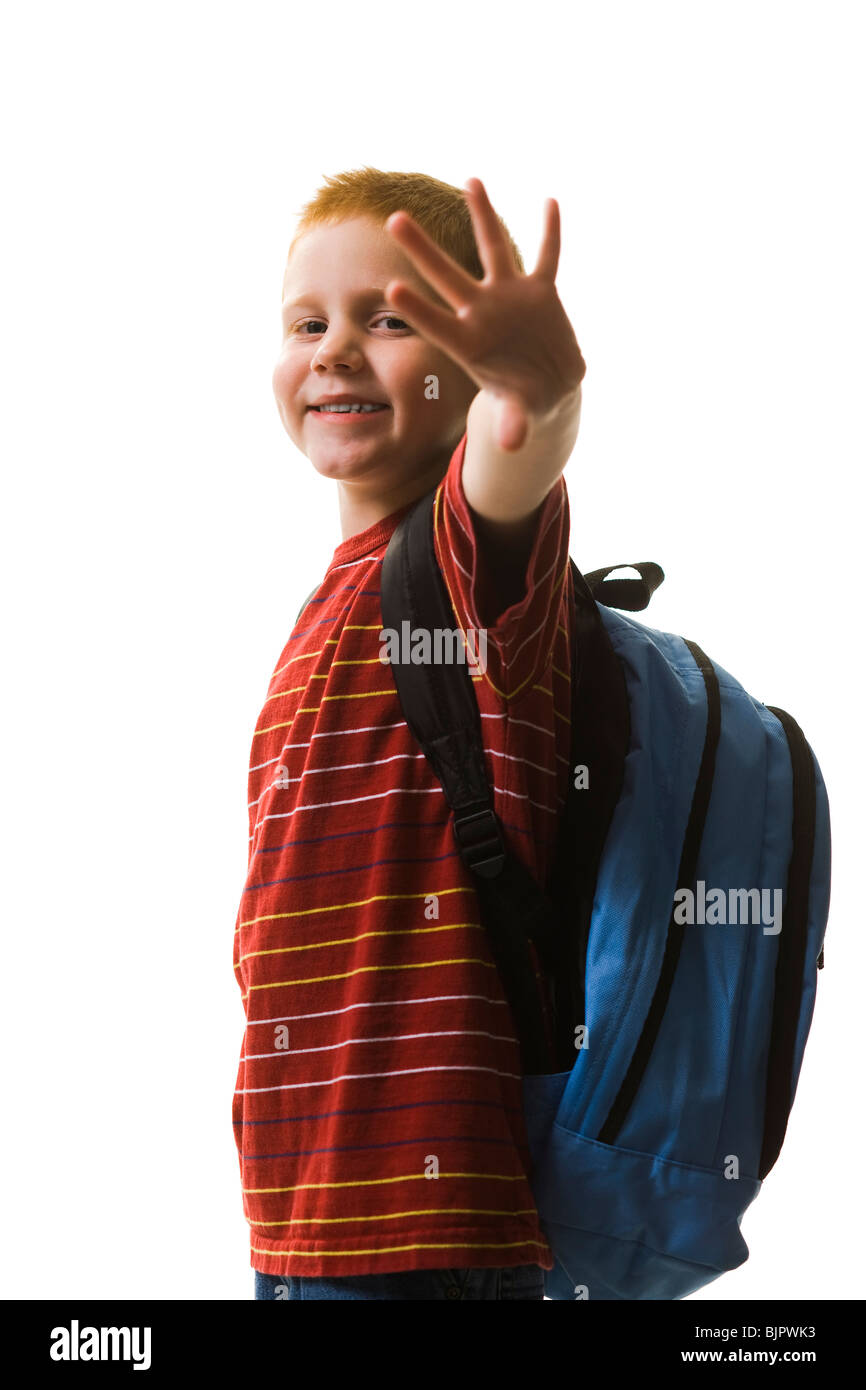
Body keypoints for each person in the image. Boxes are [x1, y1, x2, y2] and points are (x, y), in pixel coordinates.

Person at [232, 167, 586, 1300]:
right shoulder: (330, 601)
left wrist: (534, 380)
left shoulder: (463, 558)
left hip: (427, 1230)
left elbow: (516, 443)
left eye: (388, 321)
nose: (334, 349)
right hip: (301, 1216)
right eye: (308, 322)